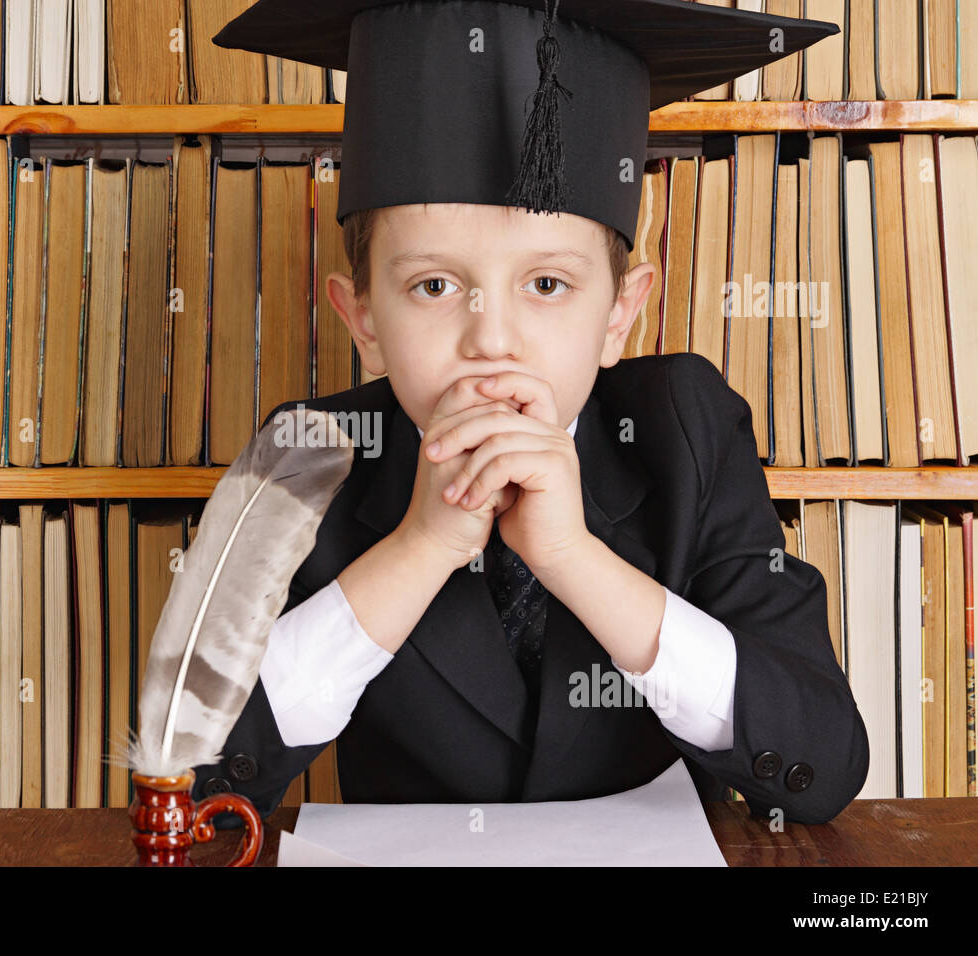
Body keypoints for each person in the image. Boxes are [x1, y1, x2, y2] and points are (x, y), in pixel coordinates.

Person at [190, 0, 870, 826]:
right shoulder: (305, 458)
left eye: (547, 284)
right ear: (363, 319)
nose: (493, 340)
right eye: (433, 286)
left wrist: (572, 557)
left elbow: (821, 762)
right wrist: (419, 548)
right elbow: (186, 779)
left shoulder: (686, 429)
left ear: (621, 314)